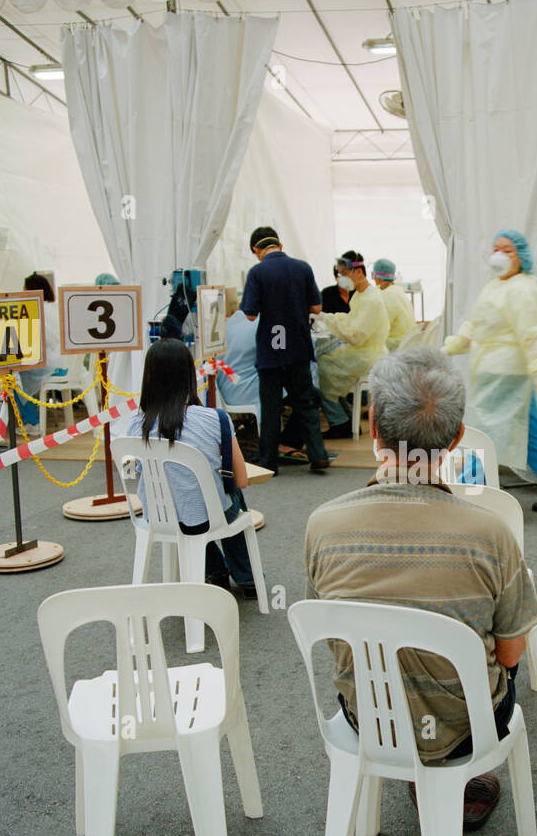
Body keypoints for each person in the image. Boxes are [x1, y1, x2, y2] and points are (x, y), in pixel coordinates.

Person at [305, 347, 537, 830]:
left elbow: (333, 635)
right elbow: (513, 651)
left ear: (373, 426)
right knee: (503, 656)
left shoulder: (322, 525)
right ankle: (452, 772)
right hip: (467, 727)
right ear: (456, 438)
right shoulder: (491, 533)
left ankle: (407, 758)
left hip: (367, 717)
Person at [443, 228, 537, 512]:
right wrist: (453, 345)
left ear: (521, 257)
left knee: (487, 435)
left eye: (507, 250)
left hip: (508, 376)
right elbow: (477, 324)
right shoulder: (494, 287)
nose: (499, 255)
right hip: (493, 374)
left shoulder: (524, 288)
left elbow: (530, 333)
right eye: (496, 249)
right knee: (533, 439)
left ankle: (465, 495)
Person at [126, 338, 257, 600]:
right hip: (208, 517)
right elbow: (241, 479)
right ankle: (248, 578)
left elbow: (141, 470)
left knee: (185, 498)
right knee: (226, 497)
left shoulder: (135, 426)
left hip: (159, 517)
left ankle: (216, 571)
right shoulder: (214, 419)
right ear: (189, 375)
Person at [240, 225, 329, 473]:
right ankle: (318, 454)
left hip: (271, 350)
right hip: (297, 346)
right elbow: (317, 308)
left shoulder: (257, 272)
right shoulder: (303, 268)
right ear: (279, 245)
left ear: (257, 250)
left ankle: (269, 461)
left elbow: (249, 314)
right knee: (305, 403)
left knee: (271, 407)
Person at [314, 251, 389, 434]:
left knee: (321, 368)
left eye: (345, 274)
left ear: (358, 272)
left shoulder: (371, 300)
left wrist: (331, 321)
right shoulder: (360, 295)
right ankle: (345, 418)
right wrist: (328, 317)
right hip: (364, 351)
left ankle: (340, 421)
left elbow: (355, 336)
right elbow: (351, 320)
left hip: (368, 354)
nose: (342, 278)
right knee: (324, 362)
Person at [14, 272, 59, 436]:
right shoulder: (53, 307)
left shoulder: (35, 311)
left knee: (15, 375)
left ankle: (31, 422)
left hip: (51, 364)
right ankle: (30, 418)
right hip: (64, 363)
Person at [372, 257, 415, 351]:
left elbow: (380, 327)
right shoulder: (399, 291)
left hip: (395, 347)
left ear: (378, 277)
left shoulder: (386, 295)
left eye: (373, 276)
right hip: (408, 342)